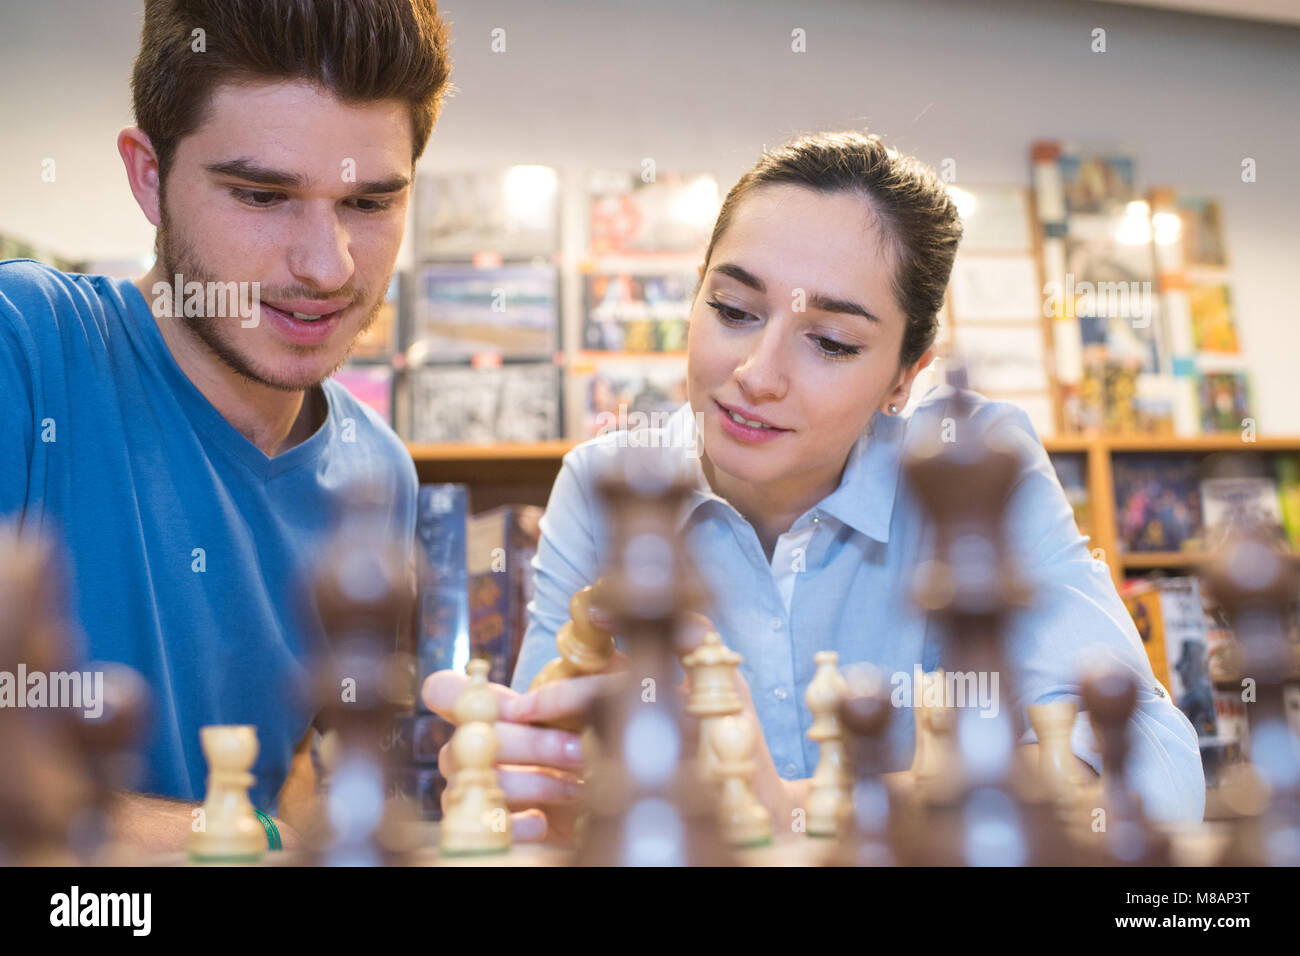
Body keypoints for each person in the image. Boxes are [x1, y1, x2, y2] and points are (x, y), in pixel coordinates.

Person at [423, 130, 1205, 841]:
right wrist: (513, 779)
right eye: (731, 309)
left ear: (904, 376)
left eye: (830, 343)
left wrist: (786, 808)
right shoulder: (608, 485)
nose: (756, 376)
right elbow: (545, 781)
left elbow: (1155, 774)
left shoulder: (972, 470)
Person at [0, 0, 451, 852]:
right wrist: (254, 843)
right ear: (147, 176)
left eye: (368, 202)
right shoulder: (22, 343)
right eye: (262, 195)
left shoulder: (378, 472)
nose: (327, 266)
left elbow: (299, 776)